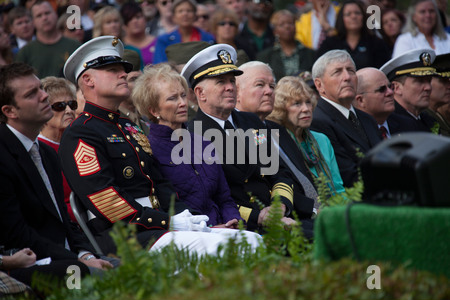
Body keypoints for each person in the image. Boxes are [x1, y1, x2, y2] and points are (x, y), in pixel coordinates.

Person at [60, 36, 261, 256]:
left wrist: (195, 221)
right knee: (228, 248)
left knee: (252, 240)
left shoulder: (127, 127)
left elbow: (161, 185)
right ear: (88, 80)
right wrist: (168, 222)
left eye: (123, 69)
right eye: (113, 70)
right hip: (126, 235)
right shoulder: (81, 132)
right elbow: (107, 200)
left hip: (157, 227)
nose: (123, 74)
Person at [182, 44, 315, 238]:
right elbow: (210, 196)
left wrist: (280, 205)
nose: (230, 87)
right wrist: (259, 216)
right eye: (220, 82)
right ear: (201, 93)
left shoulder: (250, 121)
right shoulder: (193, 135)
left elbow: (278, 172)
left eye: (231, 80)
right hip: (243, 225)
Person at [0, 62, 112, 284]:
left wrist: (85, 254)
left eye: (40, 88)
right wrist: (79, 262)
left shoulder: (47, 155)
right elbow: (18, 234)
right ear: (10, 111)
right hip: (27, 263)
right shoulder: (3, 156)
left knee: (129, 268)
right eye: (32, 94)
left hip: (68, 258)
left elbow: (63, 220)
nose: (44, 97)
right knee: (107, 276)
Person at [133, 63, 244, 229]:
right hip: (188, 233)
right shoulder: (148, 150)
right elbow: (164, 207)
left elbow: (224, 198)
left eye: (183, 95)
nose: (182, 103)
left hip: (224, 228)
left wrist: (234, 220)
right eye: (172, 98)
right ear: (153, 110)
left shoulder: (203, 142)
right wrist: (209, 228)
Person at [235, 61, 322, 219]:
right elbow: (264, 185)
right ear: (236, 93)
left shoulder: (277, 129)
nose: (269, 91)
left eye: (272, 86)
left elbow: (292, 177)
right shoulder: (236, 132)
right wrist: (314, 210)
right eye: (260, 85)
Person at [310, 49, 382, 188]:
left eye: (350, 70)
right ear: (319, 85)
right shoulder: (318, 122)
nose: (347, 77)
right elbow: (347, 176)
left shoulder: (367, 119)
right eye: (337, 72)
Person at [268, 75, 345, 196]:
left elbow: (338, 188)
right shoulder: (275, 142)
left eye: (308, 102)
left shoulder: (322, 140)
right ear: (281, 108)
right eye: (297, 103)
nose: (306, 109)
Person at [38, 76, 78, 223]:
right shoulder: (39, 150)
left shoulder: (79, 143)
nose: (68, 110)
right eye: (60, 106)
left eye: (72, 104)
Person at [316, 0, 391, 70]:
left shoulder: (376, 43)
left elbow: (384, 69)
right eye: (348, 14)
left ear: (364, 17)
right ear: (341, 18)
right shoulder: (330, 43)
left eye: (357, 13)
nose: (353, 17)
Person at [14, 1, 80, 78]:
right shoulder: (25, 52)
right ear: (33, 22)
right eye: (39, 15)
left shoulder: (75, 46)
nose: (44, 18)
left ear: (55, 14)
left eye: (47, 13)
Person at [380, 48, 438, 132]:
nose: (428, 87)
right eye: (420, 81)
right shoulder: (388, 123)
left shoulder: (429, 120)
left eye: (429, 81)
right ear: (396, 87)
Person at [354, 67, 418, 139]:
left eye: (390, 87)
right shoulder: (352, 133)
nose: (390, 92)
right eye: (381, 89)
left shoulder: (408, 125)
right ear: (361, 100)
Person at [257, 9, 315, 82]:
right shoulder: (265, 56)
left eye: (290, 23)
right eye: (282, 24)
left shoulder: (310, 54)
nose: (287, 27)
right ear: (275, 31)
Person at [121, 2, 156, 66]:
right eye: (129, 19)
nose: (135, 21)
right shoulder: (120, 46)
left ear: (145, 18)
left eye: (138, 17)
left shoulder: (158, 42)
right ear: (123, 24)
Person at [425, 53, 450, 136]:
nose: (449, 86)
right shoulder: (423, 116)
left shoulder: (437, 114)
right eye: (443, 81)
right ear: (428, 82)